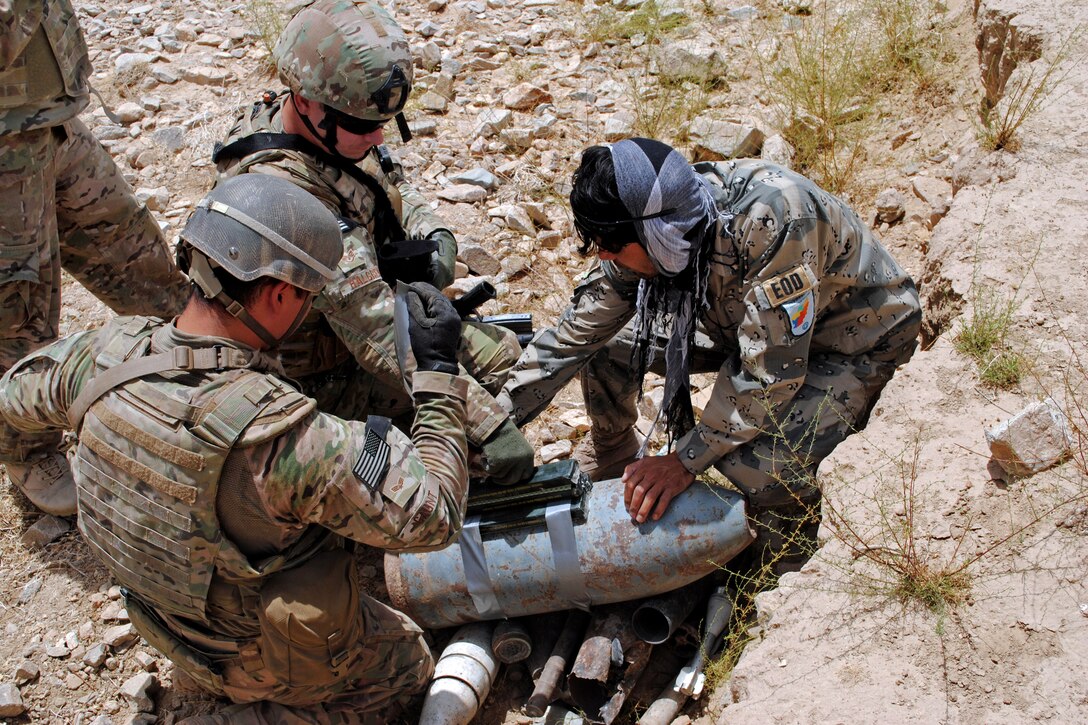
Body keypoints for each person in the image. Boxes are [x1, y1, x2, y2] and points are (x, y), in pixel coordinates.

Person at [0, 174, 471, 722]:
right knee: (408, 662)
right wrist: (437, 377)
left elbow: (13, 395)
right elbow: (434, 516)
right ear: (277, 293)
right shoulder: (279, 437)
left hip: (158, 620)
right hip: (249, 655)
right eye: (308, 295)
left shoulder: (101, 353)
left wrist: (35, 460)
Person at [499, 138, 922, 574]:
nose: (604, 254)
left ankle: (784, 561)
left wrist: (684, 460)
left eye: (611, 243)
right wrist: (495, 423)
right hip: (747, 331)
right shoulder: (658, 220)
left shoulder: (775, 220)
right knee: (611, 344)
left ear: (655, 233)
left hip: (852, 345)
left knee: (750, 462)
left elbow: (769, 374)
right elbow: (572, 337)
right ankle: (613, 447)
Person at [212, 0, 533, 485]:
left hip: (366, 319)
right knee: (485, 396)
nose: (379, 133)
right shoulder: (287, 200)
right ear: (304, 101)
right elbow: (378, 331)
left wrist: (433, 234)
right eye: (365, 125)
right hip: (315, 378)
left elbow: (389, 184)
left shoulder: (333, 124)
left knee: (513, 359)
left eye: (386, 120)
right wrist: (491, 431)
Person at [0, 0, 189, 515]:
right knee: (20, 309)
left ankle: (202, 368)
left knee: (137, 255)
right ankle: (26, 449)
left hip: (49, 117)